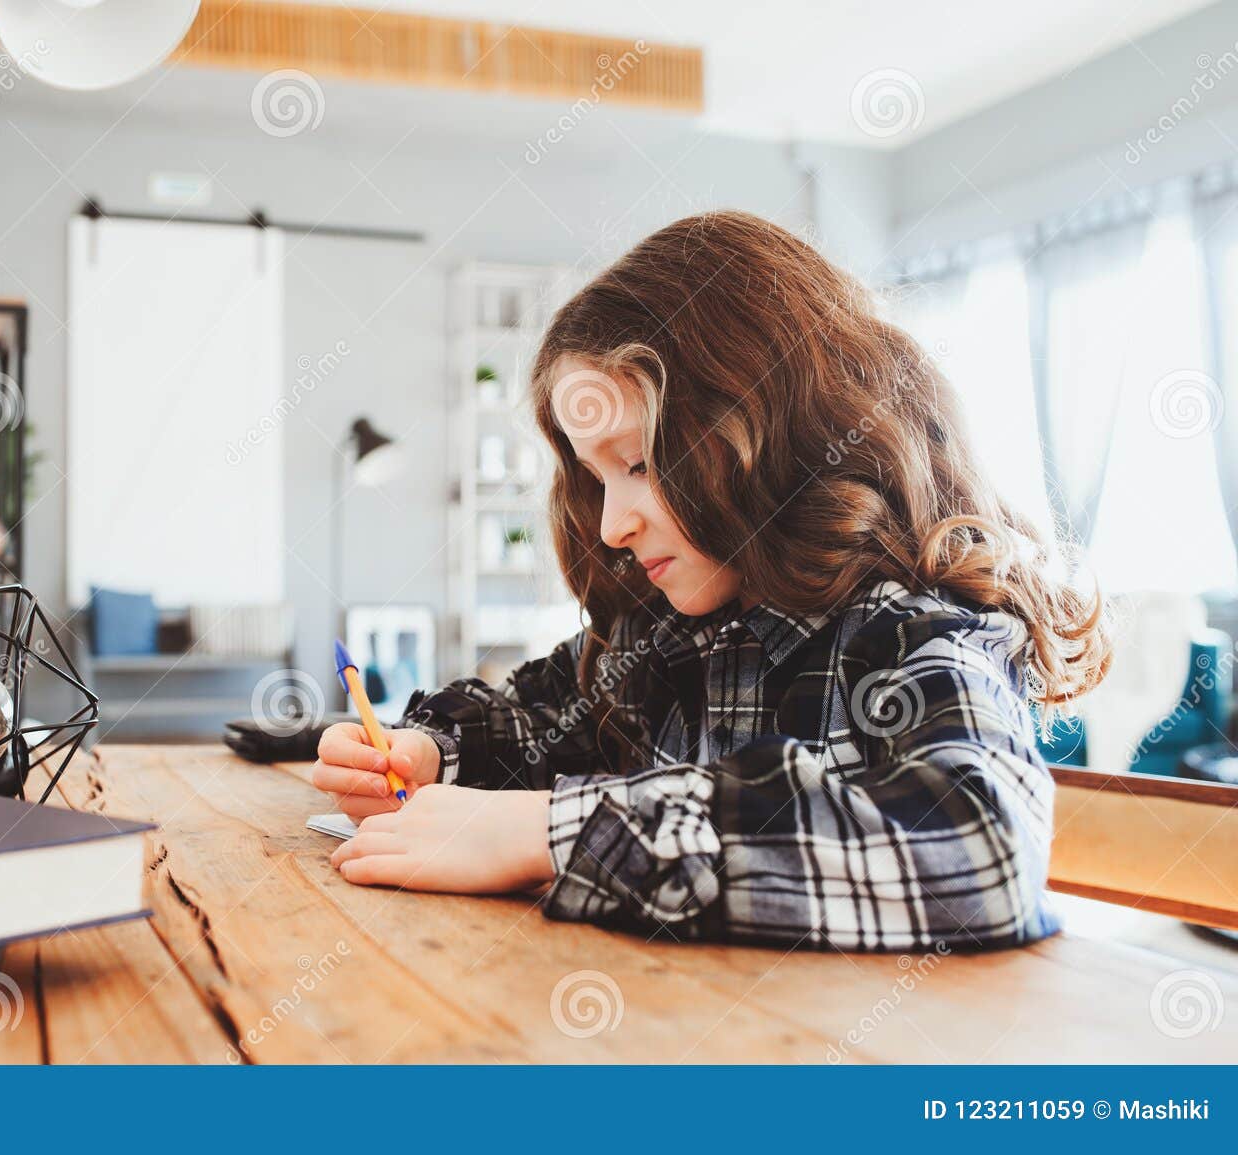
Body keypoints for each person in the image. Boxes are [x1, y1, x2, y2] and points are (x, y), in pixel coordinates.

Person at [313, 211, 1111, 951]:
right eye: (597, 480)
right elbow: (540, 719)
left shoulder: (914, 630)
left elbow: (981, 849)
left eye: (639, 463)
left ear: (779, 428)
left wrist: (540, 834)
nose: (610, 526)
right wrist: (425, 753)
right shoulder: (671, 628)